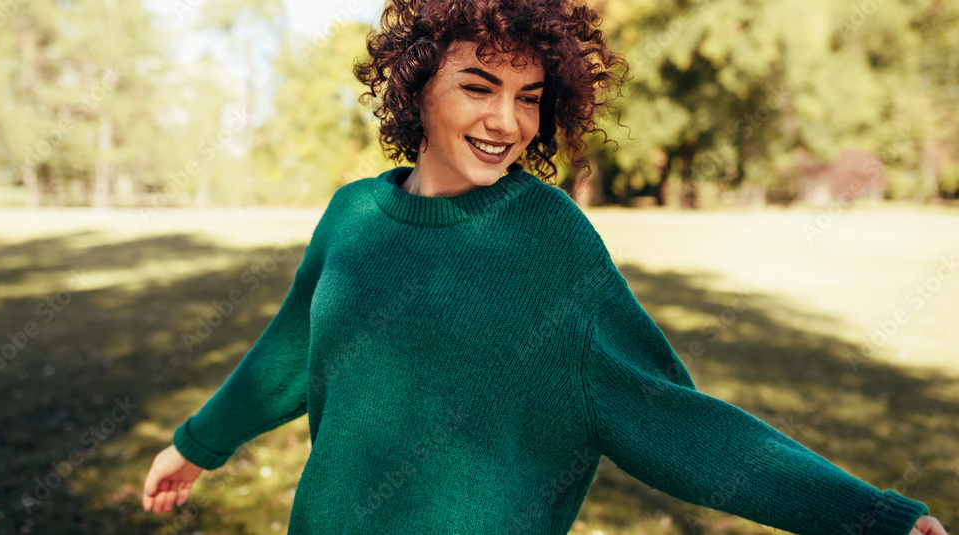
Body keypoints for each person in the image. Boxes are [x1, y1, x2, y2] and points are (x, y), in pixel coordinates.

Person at [142, 0, 950, 533]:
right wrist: (196, 444)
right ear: (416, 86)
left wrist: (869, 516)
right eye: (479, 86)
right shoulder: (351, 213)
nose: (506, 121)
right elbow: (289, 352)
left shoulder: (551, 244)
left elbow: (671, 415)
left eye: (529, 96)